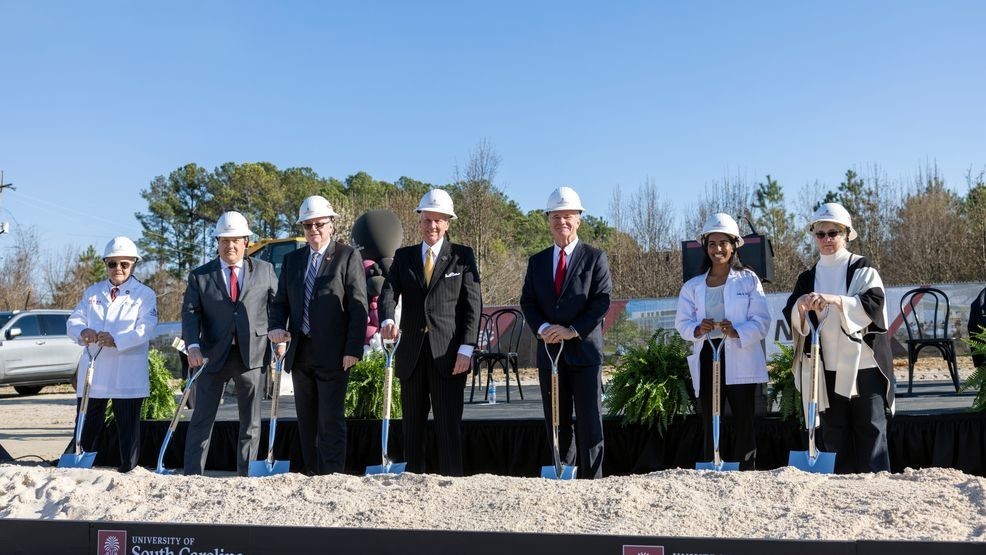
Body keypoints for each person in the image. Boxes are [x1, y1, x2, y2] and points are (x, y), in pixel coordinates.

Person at [782, 202, 895, 473]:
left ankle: (879, 487)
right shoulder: (807, 277)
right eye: (821, 234)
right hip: (825, 368)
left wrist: (837, 301)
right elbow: (791, 312)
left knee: (871, 432)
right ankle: (839, 491)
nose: (827, 239)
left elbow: (874, 303)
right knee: (834, 434)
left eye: (834, 233)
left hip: (863, 366)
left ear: (846, 234)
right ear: (814, 237)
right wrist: (802, 306)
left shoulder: (862, 268)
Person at [378, 189, 482, 476]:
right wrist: (387, 319)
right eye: (426, 220)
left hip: (448, 356)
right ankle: (413, 482)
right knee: (412, 425)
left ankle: (452, 481)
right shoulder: (403, 256)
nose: (432, 226)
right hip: (411, 353)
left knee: (448, 424)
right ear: (419, 221)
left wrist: (466, 348)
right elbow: (388, 293)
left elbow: (473, 305)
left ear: (448, 222)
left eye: (438, 220)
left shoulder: (462, 257)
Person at [269, 196, 367, 475]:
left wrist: (353, 349)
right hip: (301, 353)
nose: (314, 230)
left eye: (319, 224)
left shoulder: (347, 256)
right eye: (308, 225)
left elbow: (357, 307)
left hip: (335, 355)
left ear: (331, 225)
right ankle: (312, 473)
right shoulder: (292, 261)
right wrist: (276, 328)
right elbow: (280, 304)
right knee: (307, 421)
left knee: (331, 420)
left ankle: (332, 476)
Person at [520, 187, 612, 479]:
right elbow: (528, 301)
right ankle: (563, 474)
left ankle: (593, 480)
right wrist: (545, 328)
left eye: (568, 216)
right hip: (550, 353)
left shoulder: (595, 258)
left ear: (579, 219)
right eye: (556, 216)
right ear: (548, 220)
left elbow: (602, 300)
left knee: (590, 420)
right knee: (557, 420)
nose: (562, 222)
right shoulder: (537, 262)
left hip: (584, 353)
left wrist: (572, 331)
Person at [182, 212, 278, 476]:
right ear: (217, 242)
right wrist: (192, 345)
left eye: (235, 240)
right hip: (211, 357)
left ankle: (246, 475)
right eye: (224, 240)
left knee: (251, 422)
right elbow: (190, 313)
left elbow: (277, 307)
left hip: (253, 356)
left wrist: (279, 335)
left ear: (246, 241)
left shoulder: (265, 270)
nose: (230, 246)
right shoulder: (200, 276)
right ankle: (192, 475)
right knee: (201, 419)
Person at [674, 213, 769, 470]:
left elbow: (761, 321)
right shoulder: (693, 286)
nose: (718, 249)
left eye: (723, 243)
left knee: (744, 420)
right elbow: (681, 324)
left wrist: (737, 331)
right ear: (705, 247)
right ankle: (711, 465)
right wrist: (697, 329)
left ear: (734, 245)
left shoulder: (749, 280)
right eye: (712, 243)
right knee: (710, 417)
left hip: (739, 355)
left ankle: (746, 471)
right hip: (708, 355)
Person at [66, 236, 157, 472]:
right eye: (112, 263)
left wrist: (118, 340)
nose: (118, 269)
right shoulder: (93, 292)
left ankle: (128, 468)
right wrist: (82, 330)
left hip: (126, 371)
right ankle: (81, 463)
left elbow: (145, 329)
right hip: (94, 370)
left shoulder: (144, 295)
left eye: (124, 264)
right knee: (87, 422)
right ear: (105, 264)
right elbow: (74, 320)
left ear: (133, 265)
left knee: (127, 426)